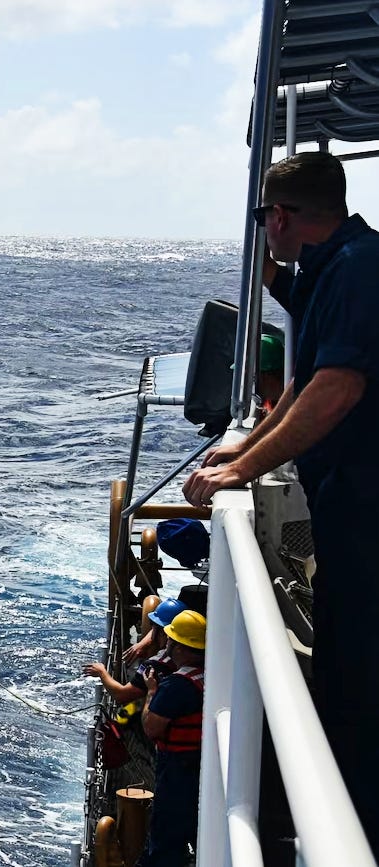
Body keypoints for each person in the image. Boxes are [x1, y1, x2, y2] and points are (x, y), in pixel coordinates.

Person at [181, 151, 379, 846]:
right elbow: (304, 380)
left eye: (266, 216)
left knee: (359, 678)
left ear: (282, 215)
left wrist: (242, 467)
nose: (264, 230)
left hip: (364, 510)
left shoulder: (357, 269)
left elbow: (336, 388)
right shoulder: (339, 266)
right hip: (345, 506)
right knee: (346, 667)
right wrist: (246, 448)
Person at [138, 610, 207, 867]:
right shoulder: (209, 674)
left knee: (166, 830)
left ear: (178, 646)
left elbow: (151, 728)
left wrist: (151, 693)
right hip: (202, 761)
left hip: (178, 767)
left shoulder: (176, 685)